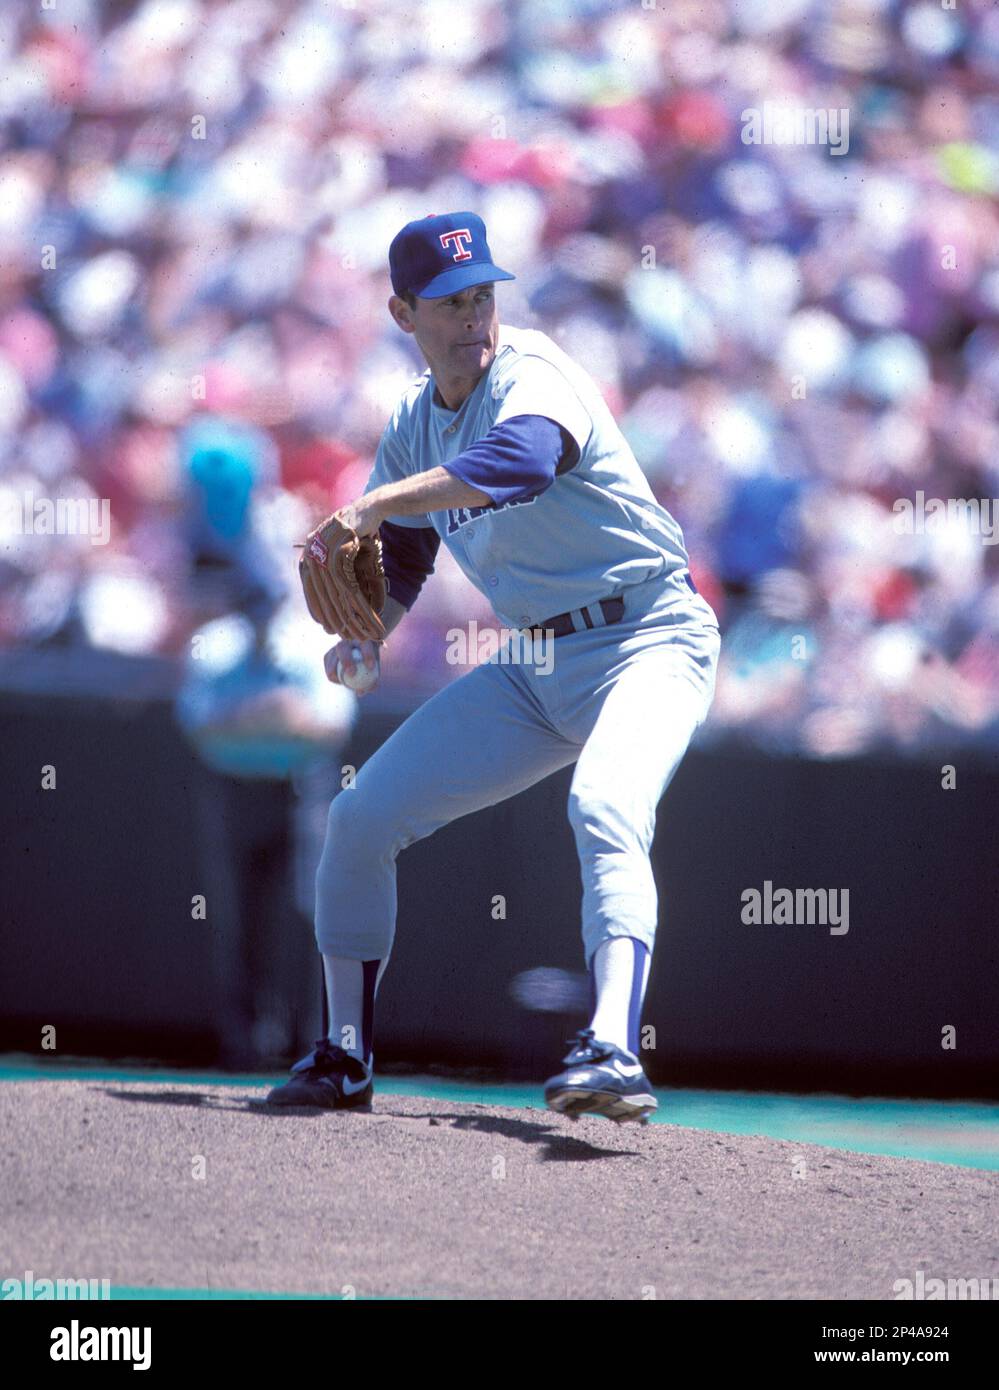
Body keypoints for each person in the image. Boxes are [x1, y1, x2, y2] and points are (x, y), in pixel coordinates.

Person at [265, 212, 721, 1123]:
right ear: (404, 314)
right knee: (359, 820)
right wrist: (371, 634)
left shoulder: (534, 372)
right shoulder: (411, 424)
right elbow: (405, 556)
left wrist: (369, 501)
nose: (474, 317)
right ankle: (345, 1058)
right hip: (537, 665)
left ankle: (615, 1051)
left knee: (602, 804)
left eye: (482, 296)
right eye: (448, 304)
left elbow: (521, 461)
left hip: (649, 636)